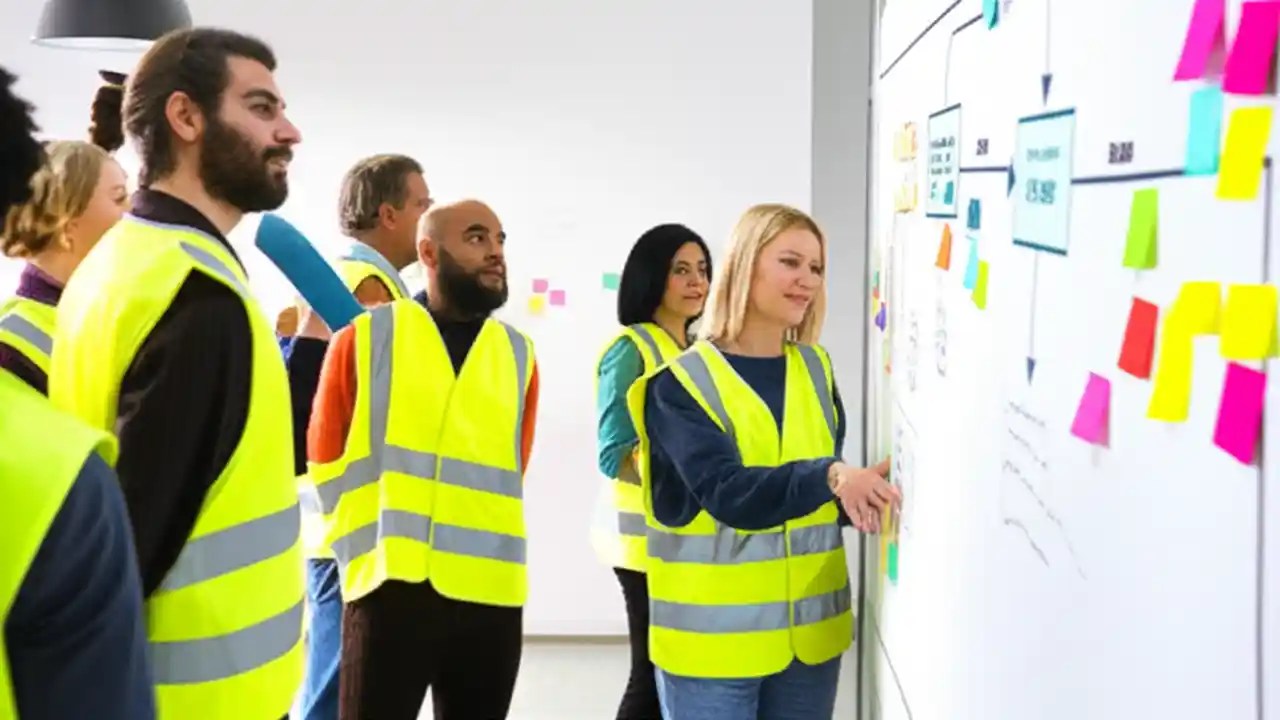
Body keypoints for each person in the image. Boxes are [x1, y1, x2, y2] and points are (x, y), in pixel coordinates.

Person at [46, 28, 305, 719]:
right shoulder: (198, 297)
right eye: (261, 108)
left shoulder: (120, 260)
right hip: (202, 695)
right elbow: (134, 538)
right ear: (186, 118)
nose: (290, 131)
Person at [627, 203, 899, 720]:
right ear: (746, 265)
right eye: (791, 263)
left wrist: (860, 500)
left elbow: (809, 494)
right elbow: (730, 493)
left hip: (810, 641)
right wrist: (834, 477)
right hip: (714, 650)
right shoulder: (679, 384)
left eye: (816, 268)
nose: (807, 281)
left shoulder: (816, 369)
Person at [308, 199, 539, 720]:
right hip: (390, 589)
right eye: (478, 239)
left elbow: (515, 460)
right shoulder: (367, 337)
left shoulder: (519, 352)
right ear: (429, 253)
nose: (495, 253)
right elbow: (324, 452)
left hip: (491, 595)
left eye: (501, 240)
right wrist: (358, 546)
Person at [0, 64, 155, 720]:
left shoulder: (94, 323)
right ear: (67, 229)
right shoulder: (15, 351)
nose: (139, 219)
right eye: (122, 202)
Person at [289, 153, 430, 720]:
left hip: (341, 524)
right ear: (390, 214)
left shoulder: (355, 279)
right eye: (423, 204)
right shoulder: (365, 287)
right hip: (349, 529)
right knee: (336, 693)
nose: (430, 214)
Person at [593, 223, 712, 720]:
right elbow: (613, 452)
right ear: (651, 278)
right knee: (650, 675)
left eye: (703, 270)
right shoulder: (632, 348)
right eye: (680, 270)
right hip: (641, 546)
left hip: (682, 542)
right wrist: (692, 477)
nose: (696, 282)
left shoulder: (695, 349)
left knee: (678, 673)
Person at [0, 140, 129, 393]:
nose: (133, 212)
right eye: (119, 198)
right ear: (67, 224)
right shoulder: (9, 348)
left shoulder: (113, 309)